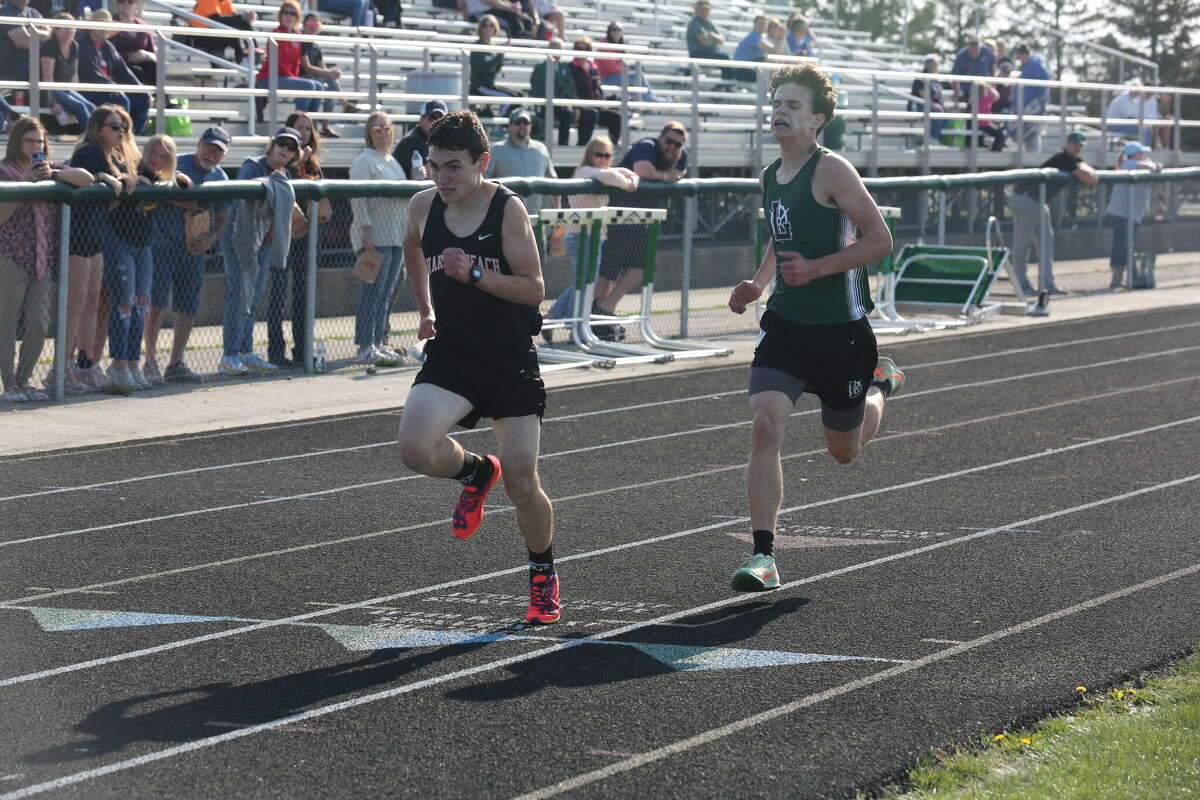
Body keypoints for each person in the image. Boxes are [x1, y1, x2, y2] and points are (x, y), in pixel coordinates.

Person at [725, 64, 903, 592]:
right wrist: (759, 283)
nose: (779, 111)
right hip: (787, 324)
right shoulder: (769, 175)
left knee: (843, 452)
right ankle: (764, 555)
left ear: (817, 119)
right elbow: (780, 239)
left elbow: (880, 240)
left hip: (841, 331)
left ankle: (879, 383)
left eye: (793, 105)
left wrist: (819, 269)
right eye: (776, 102)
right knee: (764, 426)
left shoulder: (833, 171)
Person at [398, 109, 560, 625]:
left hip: (510, 358)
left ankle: (542, 571)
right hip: (454, 356)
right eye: (433, 165)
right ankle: (475, 470)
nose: (441, 178)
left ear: (481, 163)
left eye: (453, 167)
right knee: (414, 448)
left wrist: (472, 274)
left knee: (522, 481)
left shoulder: (507, 210)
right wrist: (425, 308)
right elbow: (411, 248)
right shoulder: (424, 205)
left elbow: (535, 289)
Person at [0, 116, 91, 402]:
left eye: (39, 141)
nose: (35, 146)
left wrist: (52, 175)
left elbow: (86, 178)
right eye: (29, 141)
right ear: (17, 142)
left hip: (42, 257)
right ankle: (9, 385)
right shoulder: (4, 171)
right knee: (7, 321)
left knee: (39, 323)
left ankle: (24, 381)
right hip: (10, 255)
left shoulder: (49, 170)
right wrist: (24, 184)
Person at [145, 126, 231, 384]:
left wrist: (210, 239)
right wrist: (182, 199)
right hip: (161, 245)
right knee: (156, 304)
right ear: (199, 144)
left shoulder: (221, 178)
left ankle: (176, 362)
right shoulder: (175, 161)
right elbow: (152, 186)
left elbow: (222, 217)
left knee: (188, 306)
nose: (212, 154)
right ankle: (149, 361)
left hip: (193, 250)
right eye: (209, 147)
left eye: (218, 151)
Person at [103, 132, 187, 390]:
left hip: (144, 245)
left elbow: (186, 188)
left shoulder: (162, 177)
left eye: (164, 156)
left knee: (142, 305)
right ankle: (118, 365)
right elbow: (117, 179)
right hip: (121, 241)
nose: (157, 159)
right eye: (154, 153)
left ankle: (132, 364)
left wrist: (180, 179)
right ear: (145, 151)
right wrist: (129, 178)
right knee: (124, 305)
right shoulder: (133, 168)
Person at [219, 127, 303, 376]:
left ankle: (245, 351)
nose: (285, 149)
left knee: (253, 298)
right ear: (272, 144)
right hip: (241, 241)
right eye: (281, 143)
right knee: (239, 295)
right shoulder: (252, 165)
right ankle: (229, 355)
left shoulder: (285, 174)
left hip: (264, 243)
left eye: (291, 147)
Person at [591, 122, 688, 336]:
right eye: (669, 141)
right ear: (660, 137)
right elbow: (642, 170)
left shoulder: (680, 155)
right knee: (609, 269)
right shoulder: (647, 145)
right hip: (623, 214)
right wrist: (665, 177)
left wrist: (670, 175)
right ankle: (593, 319)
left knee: (640, 268)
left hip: (649, 219)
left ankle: (604, 310)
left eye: (677, 144)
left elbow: (681, 171)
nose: (672, 147)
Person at [67, 104, 136, 392]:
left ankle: (86, 365)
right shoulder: (89, 151)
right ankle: (62, 369)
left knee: (93, 303)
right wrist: (102, 178)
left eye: (123, 127)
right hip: (76, 238)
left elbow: (118, 195)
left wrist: (125, 178)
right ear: (98, 128)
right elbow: (81, 176)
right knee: (76, 305)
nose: (121, 131)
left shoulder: (112, 155)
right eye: (114, 126)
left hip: (95, 237)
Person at [542, 134, 637, 340]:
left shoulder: (602, 171)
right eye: (598, 154)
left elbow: (624, 172)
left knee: (585, 283)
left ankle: (552, 319)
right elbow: (613, 177)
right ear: (589, 155)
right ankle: (574, 328)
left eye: (607, 155)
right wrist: (627, 183)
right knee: (587, 284)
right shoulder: (585, 170)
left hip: (596, 237)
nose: (603, 159)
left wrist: (632, 177)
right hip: (580, 236)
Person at [266, 111, 328, 366]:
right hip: (283, 236)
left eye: (307, 128)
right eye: (299, 128)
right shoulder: (283, 160)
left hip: (306, 238)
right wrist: (295, 161)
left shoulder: (312, 164)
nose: (303, 133)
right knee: (278, 297)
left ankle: (302, 349)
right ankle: (276, 351)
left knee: (303, 295)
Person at [349, 110, 408, 363]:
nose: (383, 132)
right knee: (372, 292)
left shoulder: (392, 161)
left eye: (387, 127)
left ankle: (380, 340)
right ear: (369, 133)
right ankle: (365, 345)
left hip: (397, 235)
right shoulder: (365, 160)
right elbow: (358, 199)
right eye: (377, 129)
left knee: (386, 293)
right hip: (375, 237)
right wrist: (366, 232)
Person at [1008, 131, 1097, 296]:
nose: (1077, 148)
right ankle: (1020, 284)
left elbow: (1090, 173)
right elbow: (1088, 177)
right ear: (1067, 143)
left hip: (1039, 201)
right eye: (1075, 144)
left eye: (1080, 145)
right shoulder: (1064, 157)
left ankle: (1047, 285)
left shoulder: (1072, 159)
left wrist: (1084, 167)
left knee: (1046, 242)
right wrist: (1084, 168)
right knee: (1023, 242)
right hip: (1026, 198)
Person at [76, 9, 149, 135]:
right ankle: (121, 136)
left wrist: (142, 89)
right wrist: (112, 86)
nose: (104, 29)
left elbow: (124, 71)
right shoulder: (81, 43)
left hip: (108, 89)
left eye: (106, 26)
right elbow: (89, 72)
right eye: (100, 25)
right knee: (122, 100)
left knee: (142, 99)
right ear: (92, 27)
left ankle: (133, 135)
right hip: (89, 89)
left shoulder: (108, 46)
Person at [1105, 141, 1161, 289]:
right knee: (1121, 247)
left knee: (1127, 246)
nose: (1143, 155)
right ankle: (1116, 281)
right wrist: (1154, 166)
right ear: (1133, 154)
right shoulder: (1128, 164)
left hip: (1132, 214)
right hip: (1122, 213)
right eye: (1141, 153)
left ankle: (1123, 280)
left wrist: (1154, 165)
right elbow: (1150, 166)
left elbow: (1151, 165)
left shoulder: (1138, 162)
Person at [483, 108, 557, 215]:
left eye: (526, 122)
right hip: (505, 217)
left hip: (535, 217)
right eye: (518, 122)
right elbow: (484, 181)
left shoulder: (541, 149)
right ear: (510, 126)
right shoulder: (496, 149)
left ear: (530, 126)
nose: (522, 125)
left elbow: (553, 180)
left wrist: (557, 208)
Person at [255, 1, 323, 115]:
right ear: (280, 15)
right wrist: (294, 80)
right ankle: (297, 122)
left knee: (319, 87)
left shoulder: (297, 35)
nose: (288, 16)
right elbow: (278, 63)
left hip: (285, 78)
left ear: (297, 17)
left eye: (292, 13)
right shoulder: (275, 34)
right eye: (285, 12)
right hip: (269, 78)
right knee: (309, 86)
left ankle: (310, 126)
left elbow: (296, 62)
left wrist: (294, 78)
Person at [300, 13, 360, 138]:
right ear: (304, 24)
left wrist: (333, 72)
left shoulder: (316, 46)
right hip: (304, 78)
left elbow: (322, 68)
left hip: (315, 79)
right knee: (329, 85)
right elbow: (307, 68)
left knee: (332, 87)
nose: (314, 26)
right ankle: (345, 105)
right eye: (311, 23)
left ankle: (326, 126)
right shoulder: (302, 42)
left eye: (317, 24)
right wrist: (329, 73)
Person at [530, 38, 596, 147]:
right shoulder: (540, 68)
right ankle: (563, 145)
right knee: (566, 114)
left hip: (566, 105)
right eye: (554, 47)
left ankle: (582, 146)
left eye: (559, 48)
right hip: (547, 104)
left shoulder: (565, 67)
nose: (557, 51)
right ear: (548, 49)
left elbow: (571, 89)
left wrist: (577, 106)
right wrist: (559, 102)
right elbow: (538, 91)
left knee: (592, 113)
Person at [40, 13, 95, 131]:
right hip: (51, 90)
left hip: (66, 89)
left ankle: (98, 139)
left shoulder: (74, 46)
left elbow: (74, 76)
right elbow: (47, 78)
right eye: (66, 26)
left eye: (72, 27)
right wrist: (52, 103)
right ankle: (91, 140)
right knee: (80, 107)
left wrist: (75, 95)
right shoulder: (50, 45)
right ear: (57, 30)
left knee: (91, 107)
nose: (71, 30)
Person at [470, 14, 522, 119]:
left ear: (495, 27)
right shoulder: (477, 46)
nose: (488, 28)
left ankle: (504, 125)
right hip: (480, 86)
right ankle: (497, 128)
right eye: (485, 25)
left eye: (491, 25)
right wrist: (499, 53)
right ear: (481, 28)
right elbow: (484, 69)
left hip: (489, 85)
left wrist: (500, 54)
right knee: (510, 99)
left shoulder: (492, 46)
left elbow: (494, 70)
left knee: (519, 96)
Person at [570, 37, 619, 143]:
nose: (582, 52)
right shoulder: (570, 67)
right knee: (591, 114)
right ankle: (582, 147)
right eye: (579, 48)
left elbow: (598, 88)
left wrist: (603, 102)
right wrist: (576, 106)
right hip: (580, 108)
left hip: (596, 107)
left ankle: (610, 148)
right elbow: (570, 90)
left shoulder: (594, 68)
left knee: (616, 117)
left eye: (586, 48)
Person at [185, 0, 255, 65]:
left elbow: (234, 18)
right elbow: (215, 20)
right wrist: (242, 17)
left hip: (214, 35)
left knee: (242, 23)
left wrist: (245, 19)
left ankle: (254, 52)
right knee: (236, 30)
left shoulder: (226, 1)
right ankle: (243, 62)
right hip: (200, 36)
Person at [0, 0, 50, 85]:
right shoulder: (6, 11)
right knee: (42, 70)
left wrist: (33, 31)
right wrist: (41, 35)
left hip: (34, 61)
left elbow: (50, 36)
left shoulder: (33, 12)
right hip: (13, 65)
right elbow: (24, 42)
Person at [1009, 43, 1049, 149]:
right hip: (1024, 107)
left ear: (1025, 54)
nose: (1019, 59)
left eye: (1020, 56)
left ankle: (1033, 159)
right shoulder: (1026, 66)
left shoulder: (1035, 64)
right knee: (1025, 133)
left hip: (1033, 107)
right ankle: (1030, 157)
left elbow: (1045, 81)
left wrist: (1037, 101)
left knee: (1033, 132)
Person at [393, 99, 445, 180]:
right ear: (421, 119)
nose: (436, 122)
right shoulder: (410, 141)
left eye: (441, 119)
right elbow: (429, 174)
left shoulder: (439, 140)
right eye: (433, 117)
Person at [109, 0, 155, 87]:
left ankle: (161, 97)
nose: (125, 5)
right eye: (121, 1)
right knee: (137, 71)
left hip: (143, 65)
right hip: (119, 66)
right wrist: (129, 57)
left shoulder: (143, 25)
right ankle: (144, 99)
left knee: (153, 66)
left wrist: (146, 55)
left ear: (136, 4)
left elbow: (153, 53)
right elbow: (105, 52)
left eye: (130, 2)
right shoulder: (110, 24)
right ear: (116, 4)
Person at [686, 0, 732, 81]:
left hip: (708, 53)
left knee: (724, 57)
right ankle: (727, 84)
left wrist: (712, 35)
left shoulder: (708, 23)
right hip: (698, 54)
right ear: (696, 10)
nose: (704, 12)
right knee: (724, 57)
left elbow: (722, 40)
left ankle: (725, 84)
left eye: (706, 10)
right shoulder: (695, 23)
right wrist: (715, 39)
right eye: (701, 9)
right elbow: (706, 42)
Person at [908, 55, 946, 141]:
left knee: (948, 114)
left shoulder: (935, 78)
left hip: (932, 107)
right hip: (920, 106)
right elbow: (924, 96)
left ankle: (936, 138)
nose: (938, 67)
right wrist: (934, 105)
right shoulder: (921, 78)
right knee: (938, 111)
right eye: (937, 65)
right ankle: (932, 139)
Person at [950, 38, 994, 106]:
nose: (975, 53)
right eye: (972, 50)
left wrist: (992, 83)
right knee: (972, 104)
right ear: (968, 49)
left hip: (986, 87)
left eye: (977, 50)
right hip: (968, 90)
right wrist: (956, 99)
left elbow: (993, 65)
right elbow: (955, 77)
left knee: (996, 96)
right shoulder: (961, 56)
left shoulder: (986, 51)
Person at [732, 15, 775, 82]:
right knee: (768, 77)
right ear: (754, 25)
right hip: (740, 71)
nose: (762, 26)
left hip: (744, 69)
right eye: (760, 24)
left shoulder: (758, 36)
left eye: (764, 24)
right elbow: (773, 50)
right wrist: (782, 37)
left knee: (768, 71)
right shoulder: (754, 37)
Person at [464, 0, 534, 39]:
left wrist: (517, 10)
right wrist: (512, 8)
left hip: (491, 11)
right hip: (479, 14)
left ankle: (522, 38)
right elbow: (490, 1)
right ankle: (515, 45)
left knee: (526, 20)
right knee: (508, 25)